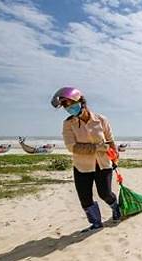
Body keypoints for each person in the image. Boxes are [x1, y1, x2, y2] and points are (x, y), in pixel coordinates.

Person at [51, 87, 121, 232]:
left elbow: (110, 141)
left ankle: (116, 208)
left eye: (71, 103)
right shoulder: (68, 124)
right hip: (81, 166)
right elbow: (72, 147)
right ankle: (96, 223)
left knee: (105, 193)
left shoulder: (101, 120)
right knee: (85, 198)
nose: (69, 108)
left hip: (103, 164)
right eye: (65, 106)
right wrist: (97, 147)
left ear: (81, 102)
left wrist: (115, 157)